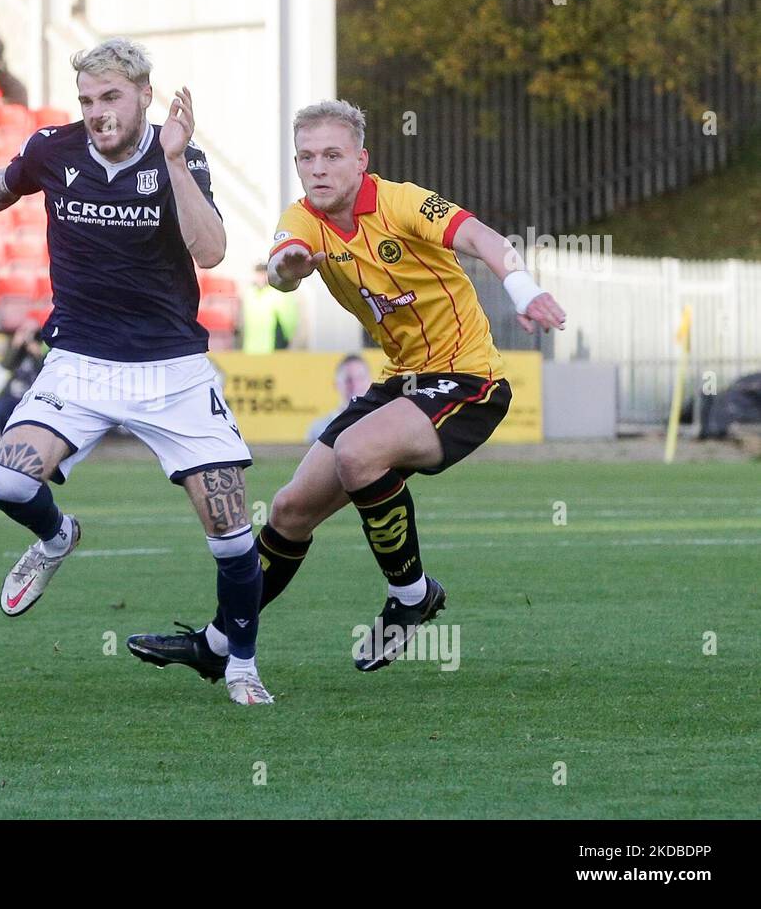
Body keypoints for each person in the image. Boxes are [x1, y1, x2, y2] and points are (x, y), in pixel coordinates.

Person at [0, 38, 273, 705]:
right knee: (6, 481)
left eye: (111, 97)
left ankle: (241, 666)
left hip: (171, 369)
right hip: (81, 362)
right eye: (87, 99)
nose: (98, 112)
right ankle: (58, 536)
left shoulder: (179, 158)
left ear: (145, 95)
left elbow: (212, 250)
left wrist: (173, 160)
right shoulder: (53, 151)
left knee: (231, 532)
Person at [127, 98, 567, 679]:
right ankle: (216, 642)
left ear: (361, 160)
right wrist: (291, 267)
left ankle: (411, 596)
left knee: (360, 453)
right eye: (306, 157)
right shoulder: (304, 217)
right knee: (288, 509)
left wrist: (522, 289)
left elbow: (485, 239)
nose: (319, 168)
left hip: (468, 380)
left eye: (333, 155)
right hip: (398, 383)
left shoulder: (403, 202)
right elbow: (283, 265)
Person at [0, 317, 46, 433]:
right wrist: (16, 346)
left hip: (32, 396)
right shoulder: (19, 352)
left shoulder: (43, 350)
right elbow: (6, 365)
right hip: (11, 395)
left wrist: (37, 353)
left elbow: (44, 370)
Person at [305, 353, 373, 441]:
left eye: (360, 378)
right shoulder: (318, 429)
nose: (355, 385)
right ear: (336, 384)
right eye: (348, 379)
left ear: (370, 382)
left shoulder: (380, 424)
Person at [240, 261, 298, 353]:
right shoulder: (249, 293)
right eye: (258, 274)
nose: (260, 278)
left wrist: (286, 339)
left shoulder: (278, 293)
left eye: (263, 274)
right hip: (250, 348)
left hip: (271, 348)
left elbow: (288, 320)